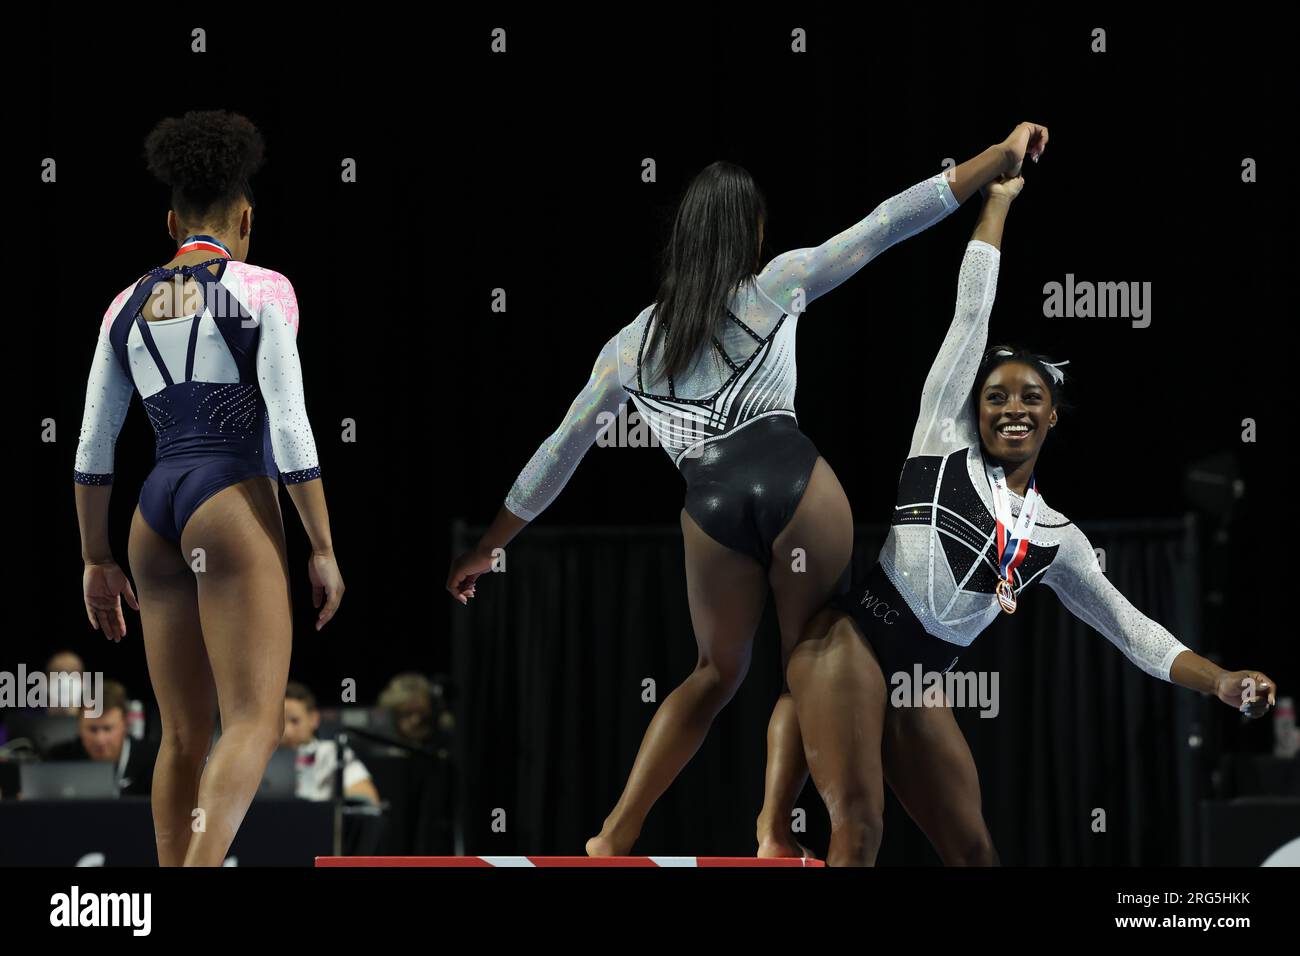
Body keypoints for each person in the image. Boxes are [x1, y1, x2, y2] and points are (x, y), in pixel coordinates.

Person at [448, 124, 1050, 856]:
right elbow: (886, 223)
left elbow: (559, 450)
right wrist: (996, 160)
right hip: (795, 483)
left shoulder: (629, 346)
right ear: (752, 231)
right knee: (811, 658)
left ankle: (614, 833)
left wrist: (489, 547)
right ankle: (772, 830)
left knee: (712, 674)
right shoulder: (776, 284)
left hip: (710, 509)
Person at [775, 173, 1279, 865]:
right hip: (851, 644)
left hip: (916, 685)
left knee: (977, 854)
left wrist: (1219, 680)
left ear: (1052, 416)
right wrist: (998, 203)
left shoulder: (1056, 538)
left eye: (1030, 397)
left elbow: (1132, 630)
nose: (1011, 407)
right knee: (860, 830)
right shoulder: (941, 441)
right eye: (995, 396)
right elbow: (972, 314)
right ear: (973, 408)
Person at [72, 109, 345, 866]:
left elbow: (93, 445)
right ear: (246, 218)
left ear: (171, 223)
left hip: (150, 512)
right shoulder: (263, 288)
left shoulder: (124, 304)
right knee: (254, 721)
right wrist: (322, 546)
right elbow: (289, 425)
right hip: (229, 496)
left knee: (182, 734)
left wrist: (95, 558)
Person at [45, 680, 159, 797]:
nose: (100, 740)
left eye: (108, 729)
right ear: (79, 726)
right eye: (92, 729)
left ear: (125, 725)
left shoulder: (154, 761)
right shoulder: (58, 761)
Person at [281, 683, 380, 805]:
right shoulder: (264, 757)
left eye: (295, 721)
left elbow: (366, 800)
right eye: (280, 722)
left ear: (314, 719)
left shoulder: (333, 753)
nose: (287, 731)